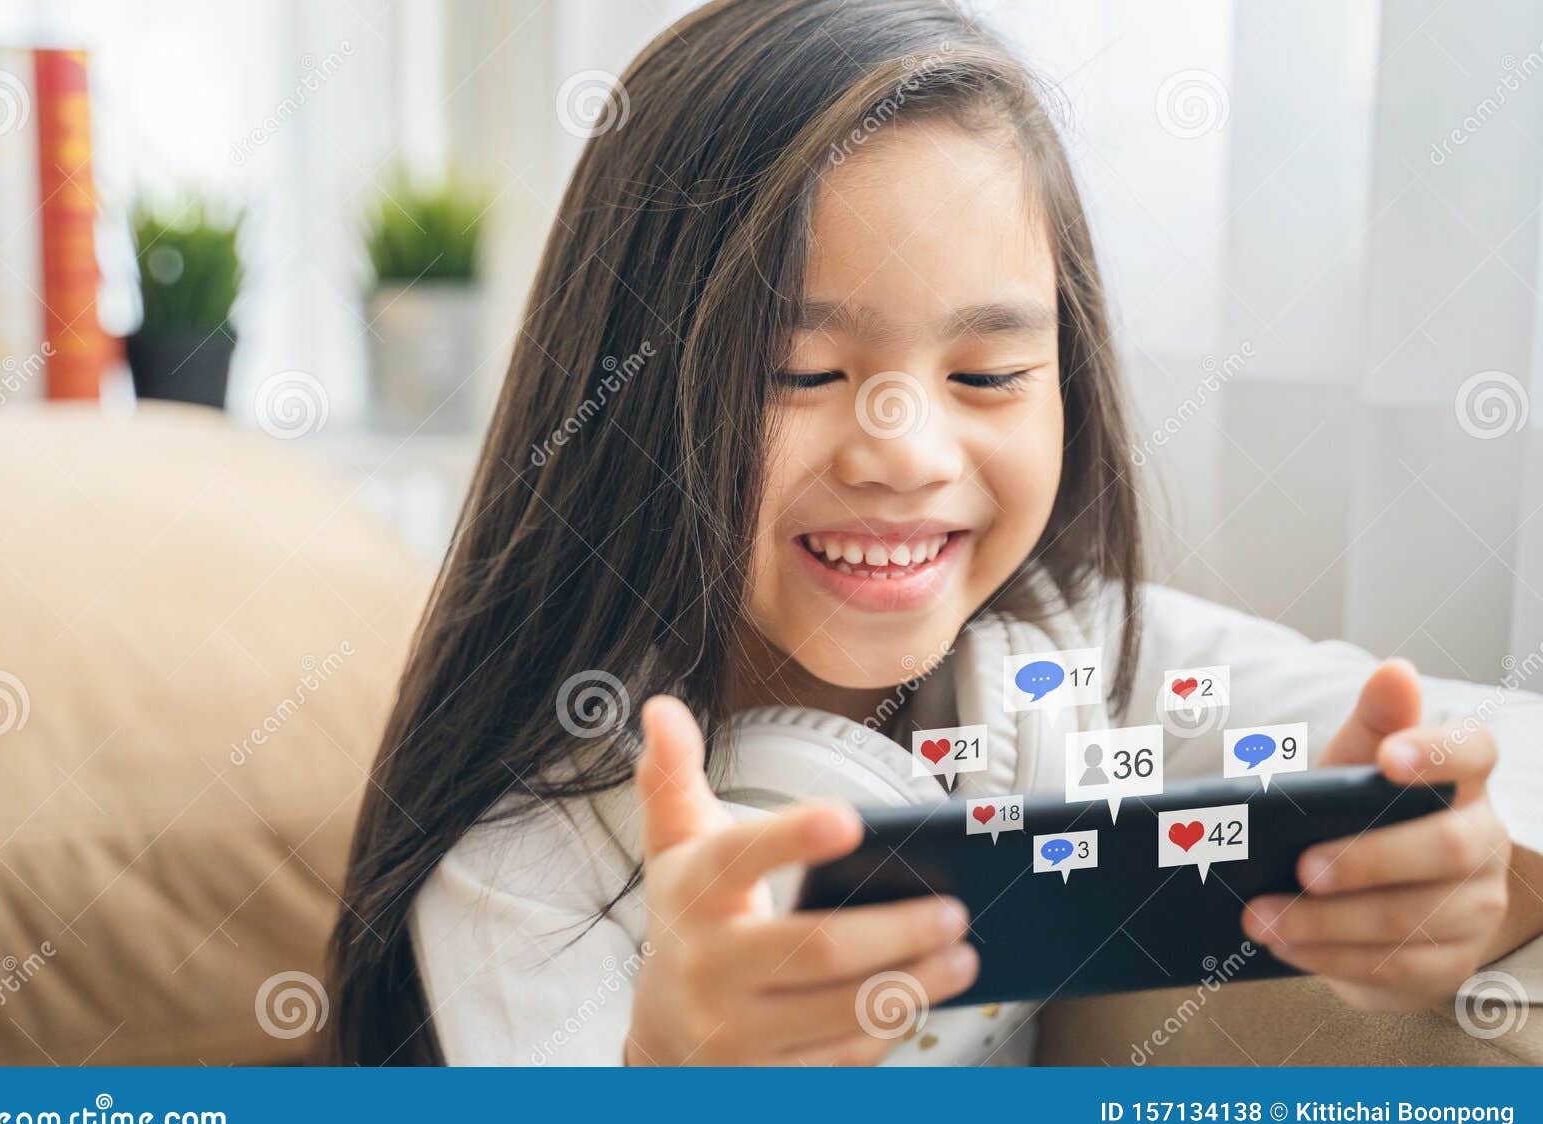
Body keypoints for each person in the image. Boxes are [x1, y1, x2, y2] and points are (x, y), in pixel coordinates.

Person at [326, 0, 1543, 1065]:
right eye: (799, 371)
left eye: (990, 371)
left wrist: (1471, 886)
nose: (905, 447)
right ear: (630, 395)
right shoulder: (531, 837)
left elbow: (1500, 751)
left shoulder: (1084, 667)